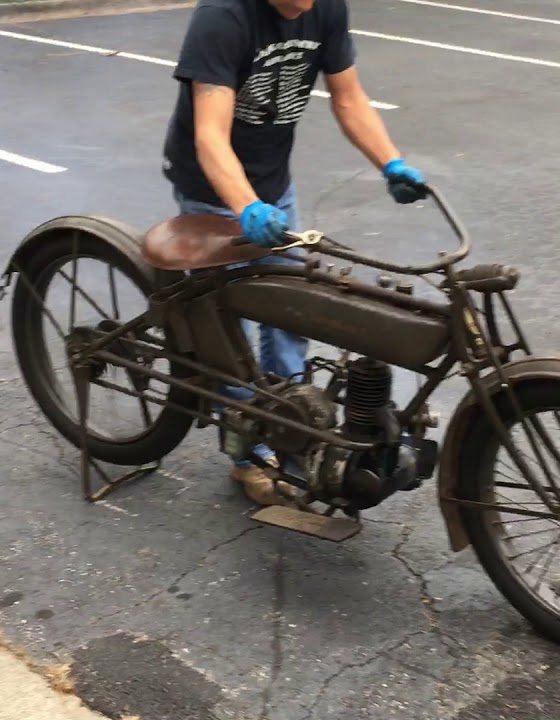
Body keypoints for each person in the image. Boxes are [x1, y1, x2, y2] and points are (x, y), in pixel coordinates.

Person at [161, 0, 427, 507]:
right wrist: (246, 210)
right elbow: (210, 136)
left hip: (272, 187)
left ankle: (293, 436)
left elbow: (347, 98)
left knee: (291, 314)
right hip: (211, 193)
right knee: (229, 333)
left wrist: (390, 162)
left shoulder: (324, 8)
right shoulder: (224, 16)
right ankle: (249, 456)